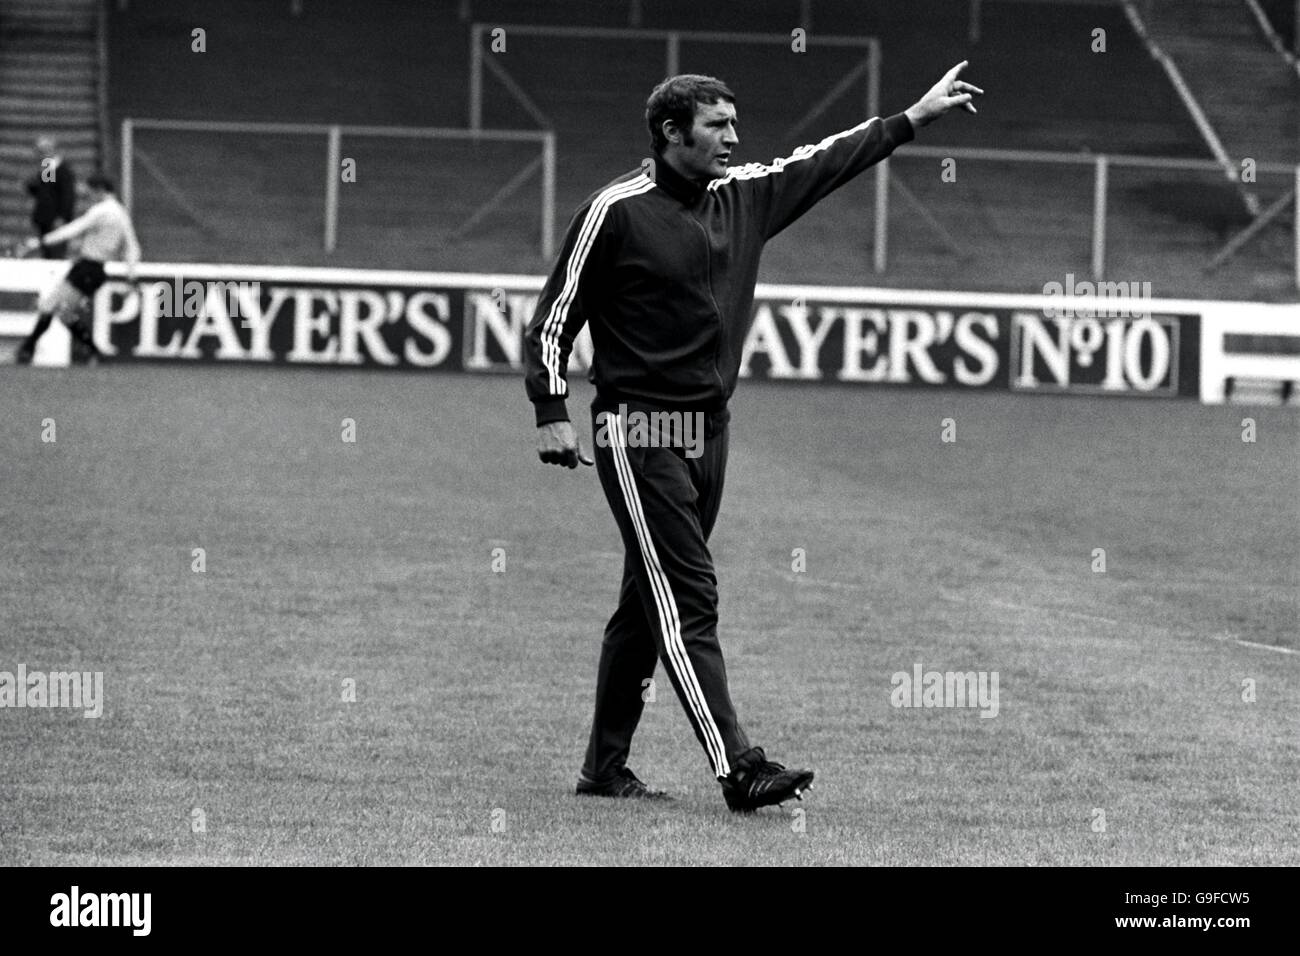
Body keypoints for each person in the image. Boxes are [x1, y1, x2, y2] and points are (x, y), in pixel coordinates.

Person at [523, 64, 983, 812]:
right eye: (717, 126)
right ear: (671, 133)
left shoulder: (745, 196)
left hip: (711, 430)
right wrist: (551, 408)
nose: (734, 138)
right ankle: (739, 767)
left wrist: (914, 116)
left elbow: (828, 160)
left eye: (735, 124)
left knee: (650, 602)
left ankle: (603, 771)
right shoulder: (614, 211)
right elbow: (553, 319)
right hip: (638, 426)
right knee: (689, 595)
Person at [15, 173, 140, 365]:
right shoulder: (121, 213)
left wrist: (40, 241)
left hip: (88, 267)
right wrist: (131, 277)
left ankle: (27, 350)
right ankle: (94, 352)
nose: (89, 197)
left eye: (90, 193)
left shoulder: (101, 210)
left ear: (99, 190)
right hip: (94, 270)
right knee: (65, 314)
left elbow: (73, 228)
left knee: (50, 305)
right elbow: (132, 248)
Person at [25, 136, 77, 259]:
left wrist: (62, 217)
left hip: (56, 220)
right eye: (39, 151)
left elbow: (68, 197)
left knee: (56, 253)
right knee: (47, 253)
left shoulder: (64, 171)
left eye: (44, 151)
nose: (41, 154)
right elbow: (45, 192)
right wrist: (31, 185)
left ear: (53, 150)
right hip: (44, 218)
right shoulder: (47, 167)